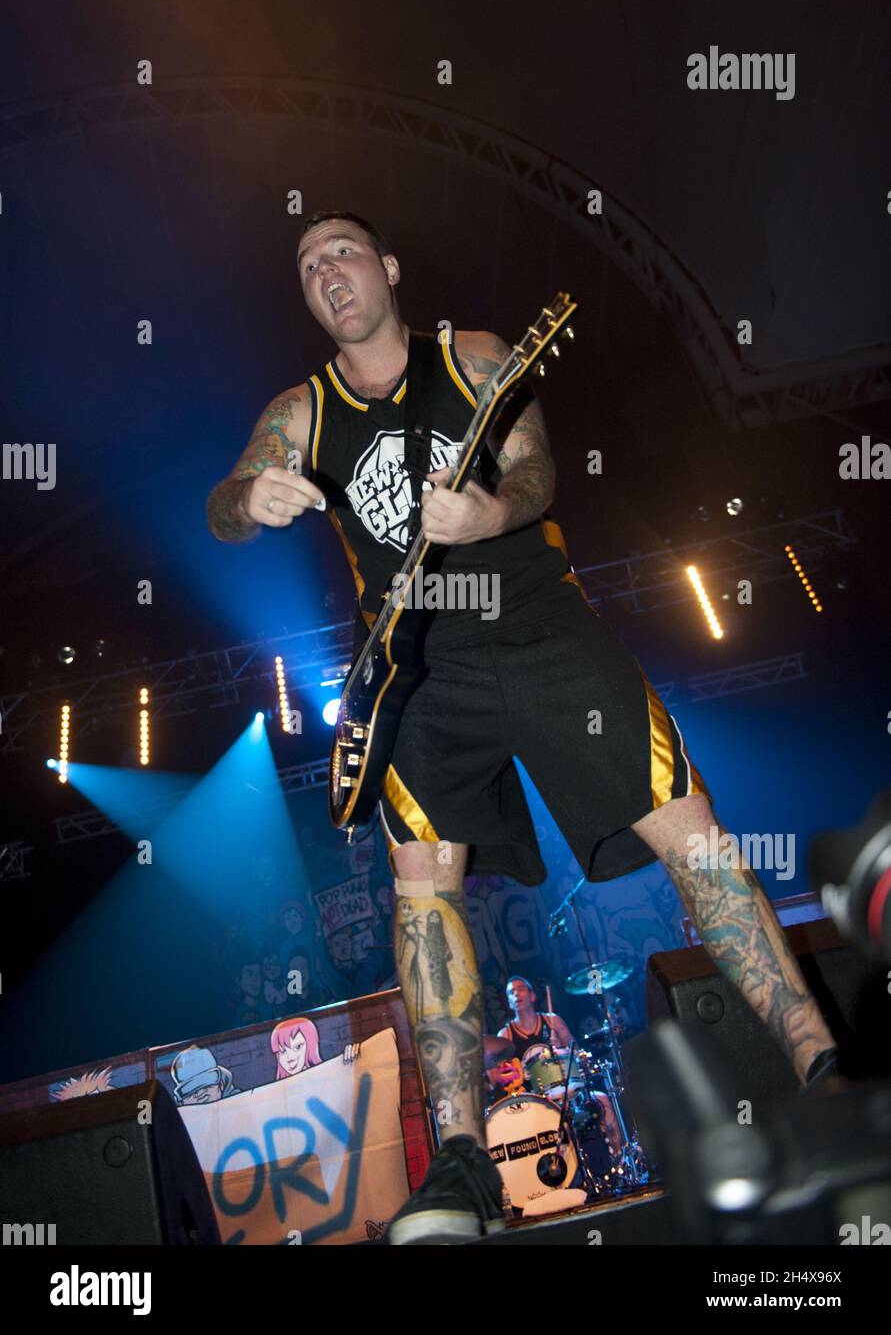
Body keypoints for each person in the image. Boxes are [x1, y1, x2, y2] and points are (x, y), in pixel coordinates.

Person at [207, 210, 841, 1244]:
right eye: (309, 263)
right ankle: (462, 1163)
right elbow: (220, 510)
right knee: (425, 898)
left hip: (539, 622)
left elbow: (540, 470)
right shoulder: (300, 413)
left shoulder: (480, 356)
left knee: (696, 835)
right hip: (418, 667)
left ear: (390, 269)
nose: (328, 270)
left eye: (345, 252)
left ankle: (822, 1059)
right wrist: (253, 494)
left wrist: (490, 513)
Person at [487, 976, 622, 1155]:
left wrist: (561, 1047)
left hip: (568, 1092)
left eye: (521, 989)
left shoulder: (553, 1021)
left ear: (532, 996)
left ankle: (621, 1161)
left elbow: (577, 1053)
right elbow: (501, 1076)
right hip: (536, 1102)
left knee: (602, 1099)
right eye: (511, 992)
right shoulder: (506, 1034)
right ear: (509, 1003)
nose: (516, 994)